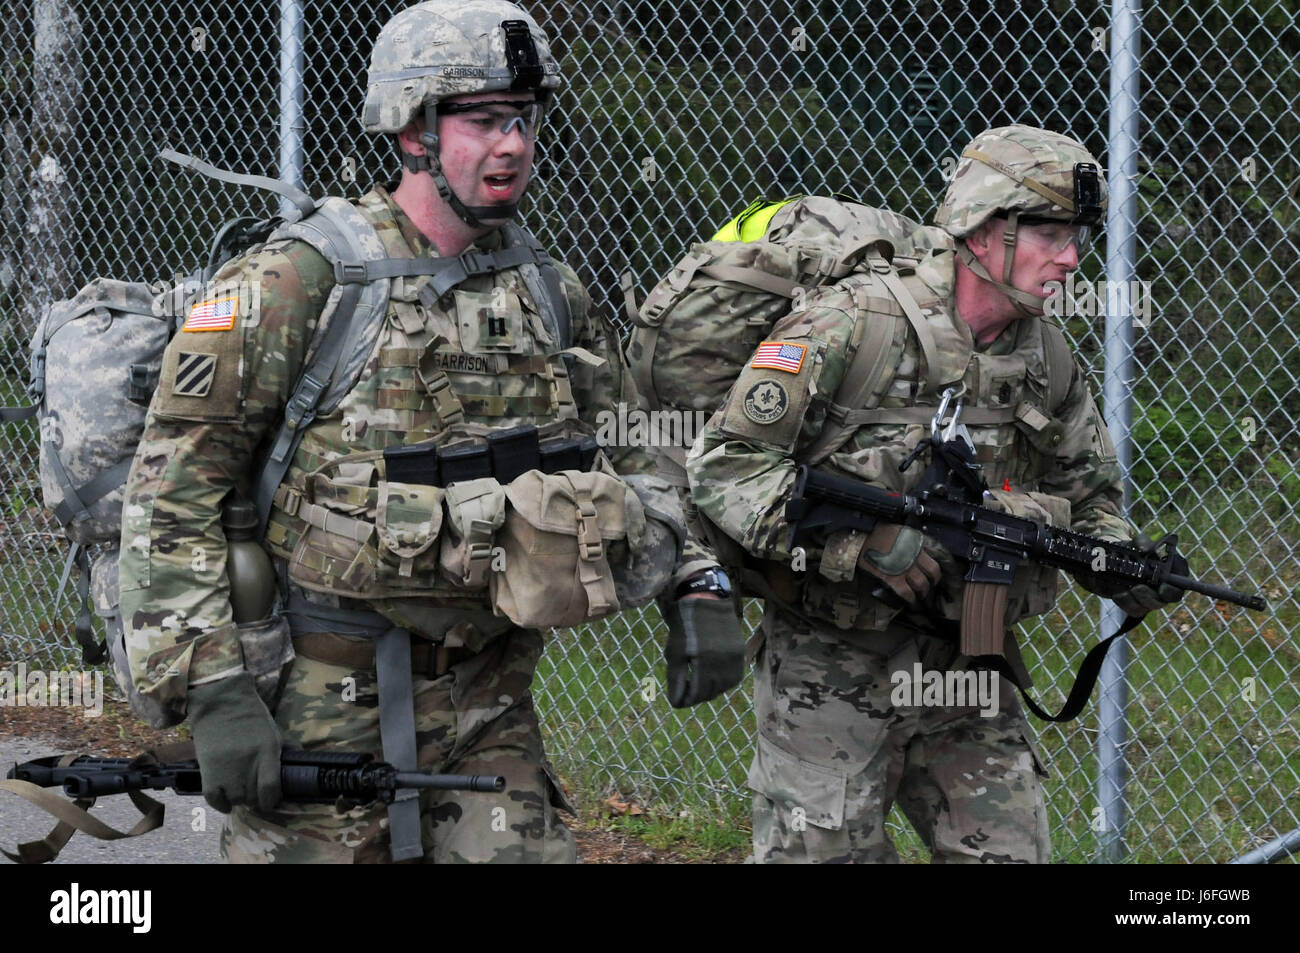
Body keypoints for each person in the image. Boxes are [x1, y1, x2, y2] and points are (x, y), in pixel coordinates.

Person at [118, 0, 741, 864]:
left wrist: (698, 585)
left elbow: (637, 451)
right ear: (411, 129)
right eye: (484, 119)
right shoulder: (301, 283)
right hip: (316, 725)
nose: (515, 144)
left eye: (523, 119)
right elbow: (170, 491)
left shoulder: (549, 292)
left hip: (491, 711)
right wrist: (211, 684)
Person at [685, 124, 1183, 863]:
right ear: (983, 230)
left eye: (1076, 236)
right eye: (1048, 233)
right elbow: (725, 464)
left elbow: (1090, 496)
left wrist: (1116, 558)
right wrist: (857, 545)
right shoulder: (854, 323)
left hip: (966, 668)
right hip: (830, 669)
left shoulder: (1045, 355)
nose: (1071, 258)